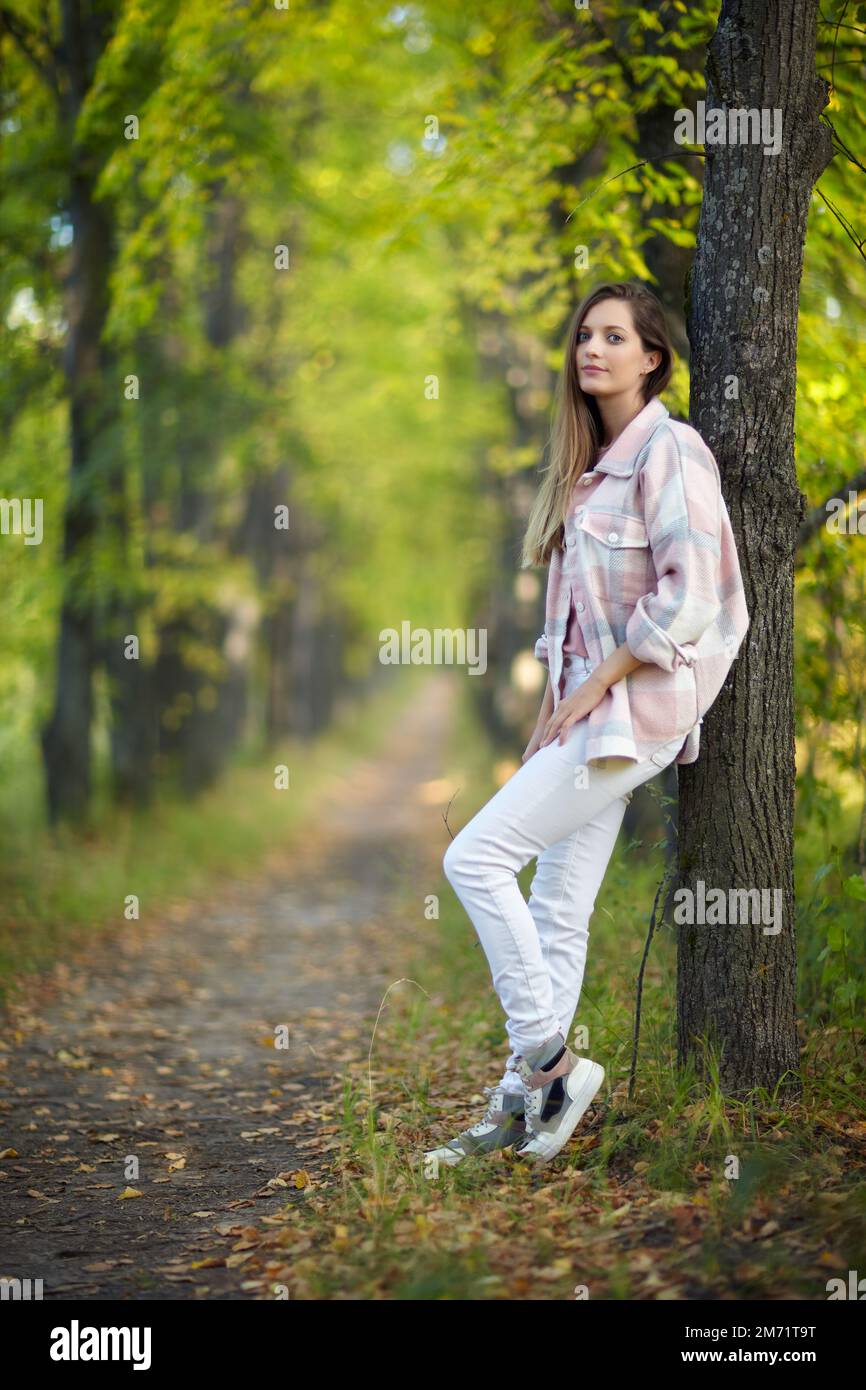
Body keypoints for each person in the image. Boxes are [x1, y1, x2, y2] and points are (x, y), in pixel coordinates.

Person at [427, 280, 750, 1171]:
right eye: (583, 337)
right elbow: (569, 627)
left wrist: (600, 684)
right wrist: (546, 712)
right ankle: (520, 1106)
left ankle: (551, 1064)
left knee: (474, 857)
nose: (592, 350)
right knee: (557, 912)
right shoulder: (586, 470)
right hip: (585, 714)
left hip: (634, 713)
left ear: (653, 358)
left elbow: (691, 598)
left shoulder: (671, 453)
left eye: (614, 336)